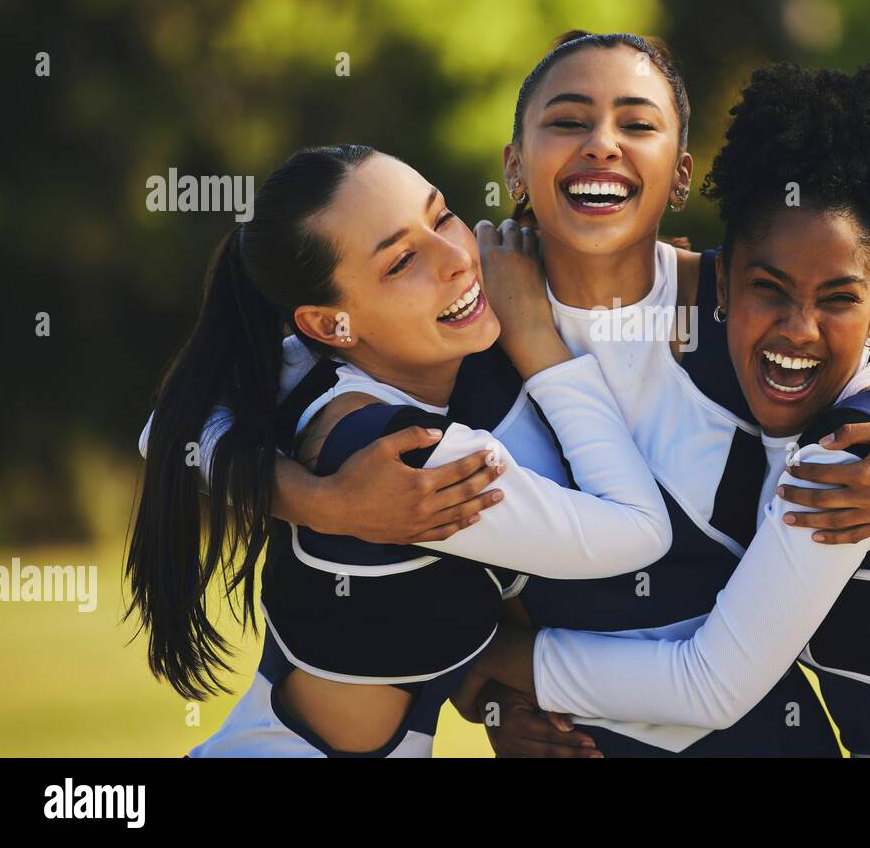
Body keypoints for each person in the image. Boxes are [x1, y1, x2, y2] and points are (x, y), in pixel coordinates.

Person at [457, 64, 870, 758]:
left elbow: (707, 682)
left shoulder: (856, 452)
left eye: (637, 121)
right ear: (724, 281)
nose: (800, 326)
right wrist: (496, 699)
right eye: (569, 119)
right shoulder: (748, 309)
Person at [128, 144, 670, 757]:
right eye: (401, 261)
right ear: (332, 325)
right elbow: (641, 531)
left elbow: (171, 428)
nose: (457, 259)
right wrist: (540, 343)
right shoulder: (403, 460)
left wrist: (495, 704)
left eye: (441, 217)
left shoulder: (320, 369)